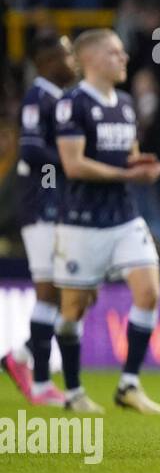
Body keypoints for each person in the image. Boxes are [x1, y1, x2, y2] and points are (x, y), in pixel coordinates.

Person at [53, 29, 160, 415]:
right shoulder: (72, 104)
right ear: (92, 59)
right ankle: (73, 392)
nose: (123, 59)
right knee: (73, 310)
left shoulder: (125, 102)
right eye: (115, 53)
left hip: (123, 215)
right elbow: (73, 165)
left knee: (149, 292)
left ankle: (129, 384)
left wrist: (143, 166)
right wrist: (126, 176)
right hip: (82, 221)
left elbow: (128, 155)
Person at [3, 35, 80, 407]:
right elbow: (32, 150)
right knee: (53, 289)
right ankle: (38, 381)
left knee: (66, 289)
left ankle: (20, 359)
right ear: (48, 60)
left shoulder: (59, 99)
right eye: (68, 54)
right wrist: (69, 163)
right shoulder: (39, 96)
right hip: (40, 205)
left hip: (55, 206)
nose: (73, 61)